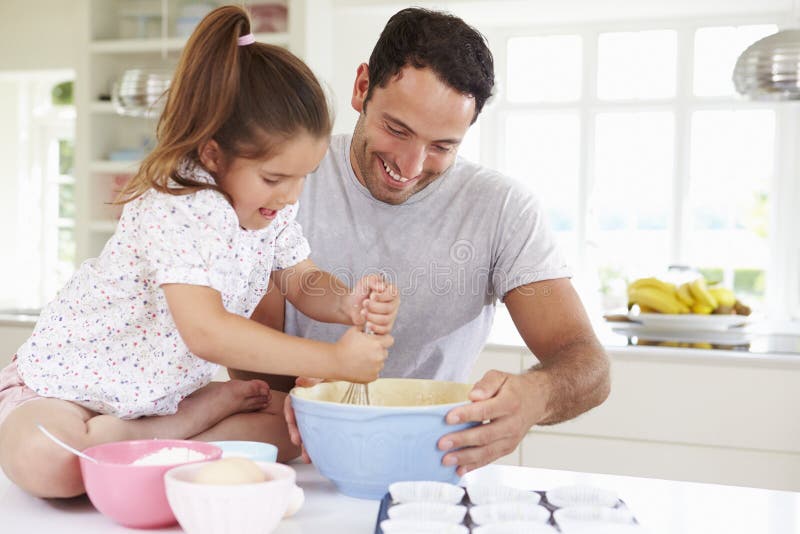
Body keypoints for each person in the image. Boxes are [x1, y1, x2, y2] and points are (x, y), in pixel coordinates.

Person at [0, 5, 398, 499]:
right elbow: (207, 331)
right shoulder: (179, 203)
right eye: (275, 178)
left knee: (293, 429)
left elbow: (301, 278)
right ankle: (164, 433)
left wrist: (345, 303)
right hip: (70, 391)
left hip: (160, 399)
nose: (291, 196)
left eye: (303, 178)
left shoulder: (267, 209)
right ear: (213, 154)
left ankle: (154, 437)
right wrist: (336, 360)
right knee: (48, 462)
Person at [240, 7, 611, 477]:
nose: (411, 166)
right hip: (298, 458)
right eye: (397, 130)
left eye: (442, 146)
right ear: (361, 88)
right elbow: (243, 340)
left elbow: (587, 363)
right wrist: (303, 394)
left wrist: (535, 398)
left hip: (435, 469)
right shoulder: (289, 177)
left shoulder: (501, 211)